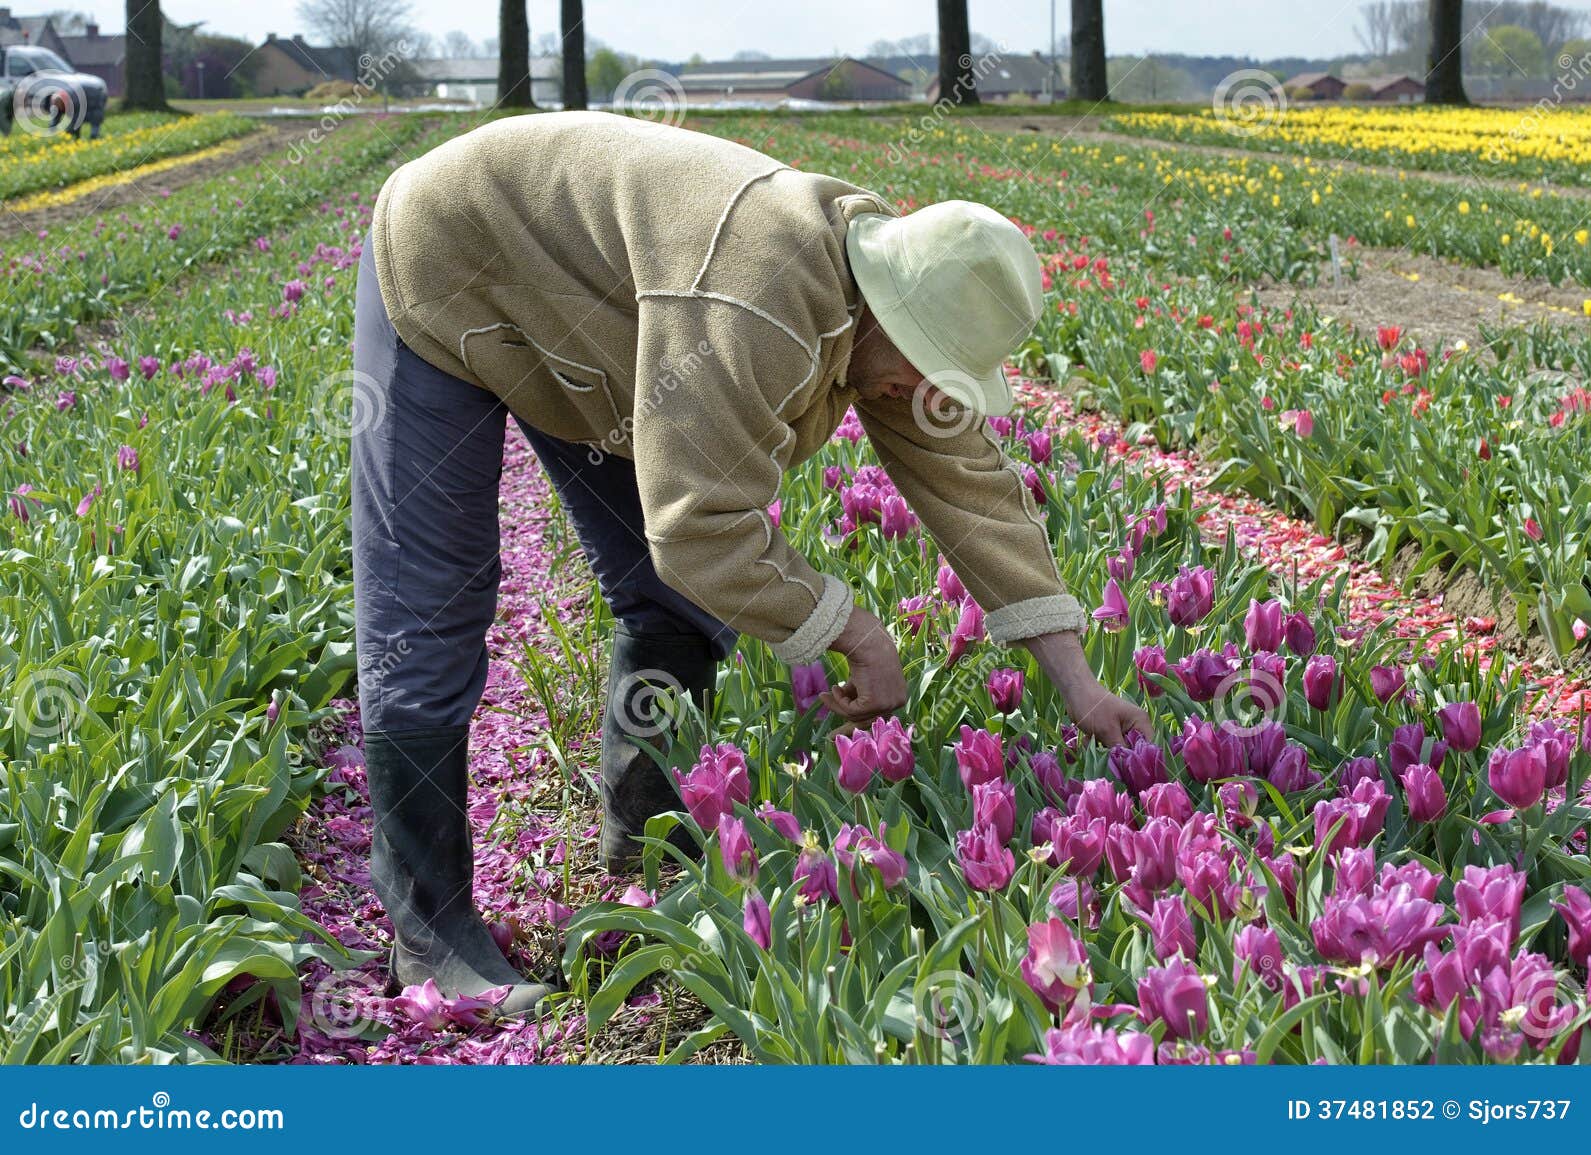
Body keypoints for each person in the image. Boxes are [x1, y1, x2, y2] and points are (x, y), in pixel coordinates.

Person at [350, 111, 1154, 1012]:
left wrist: (1079, 682)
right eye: (931, 369)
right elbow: (703, 530)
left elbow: (974, 490)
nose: (924, 395)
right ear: (892, 314)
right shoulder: (756, 299)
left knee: (676, 602)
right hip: (450, 263)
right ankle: (431, 938)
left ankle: (646, 853)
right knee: (429, 613)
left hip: (593, 331)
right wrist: (854, 630)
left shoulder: (888, 314)